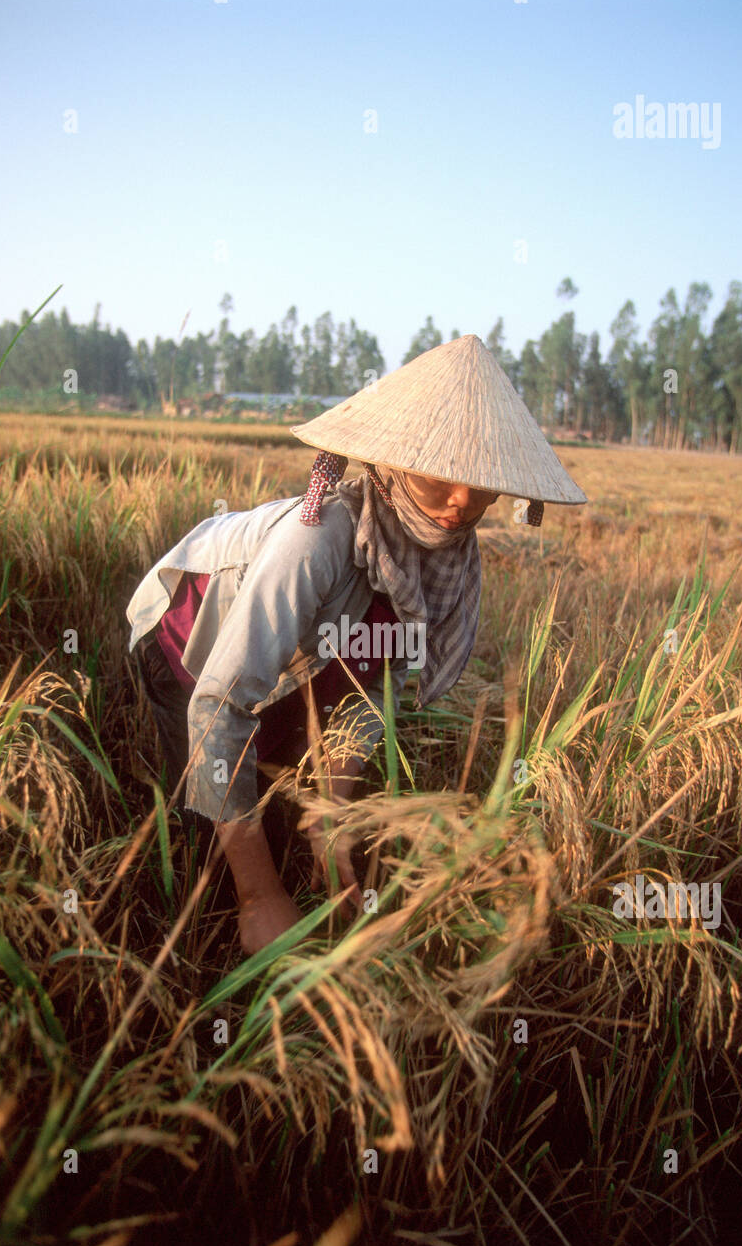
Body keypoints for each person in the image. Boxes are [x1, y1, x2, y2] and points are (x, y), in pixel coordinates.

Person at [125, 333, 586, 954]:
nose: (461, 502)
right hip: (192, 643)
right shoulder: (318, 544)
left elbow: (374, 685)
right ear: (393, 464)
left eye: (479, 483)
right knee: (211, 856)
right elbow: (220, 703)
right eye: (441, 475)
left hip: (306, 661)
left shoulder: (447, 565)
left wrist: (330, 818)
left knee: (302, 826)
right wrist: (260, 895)